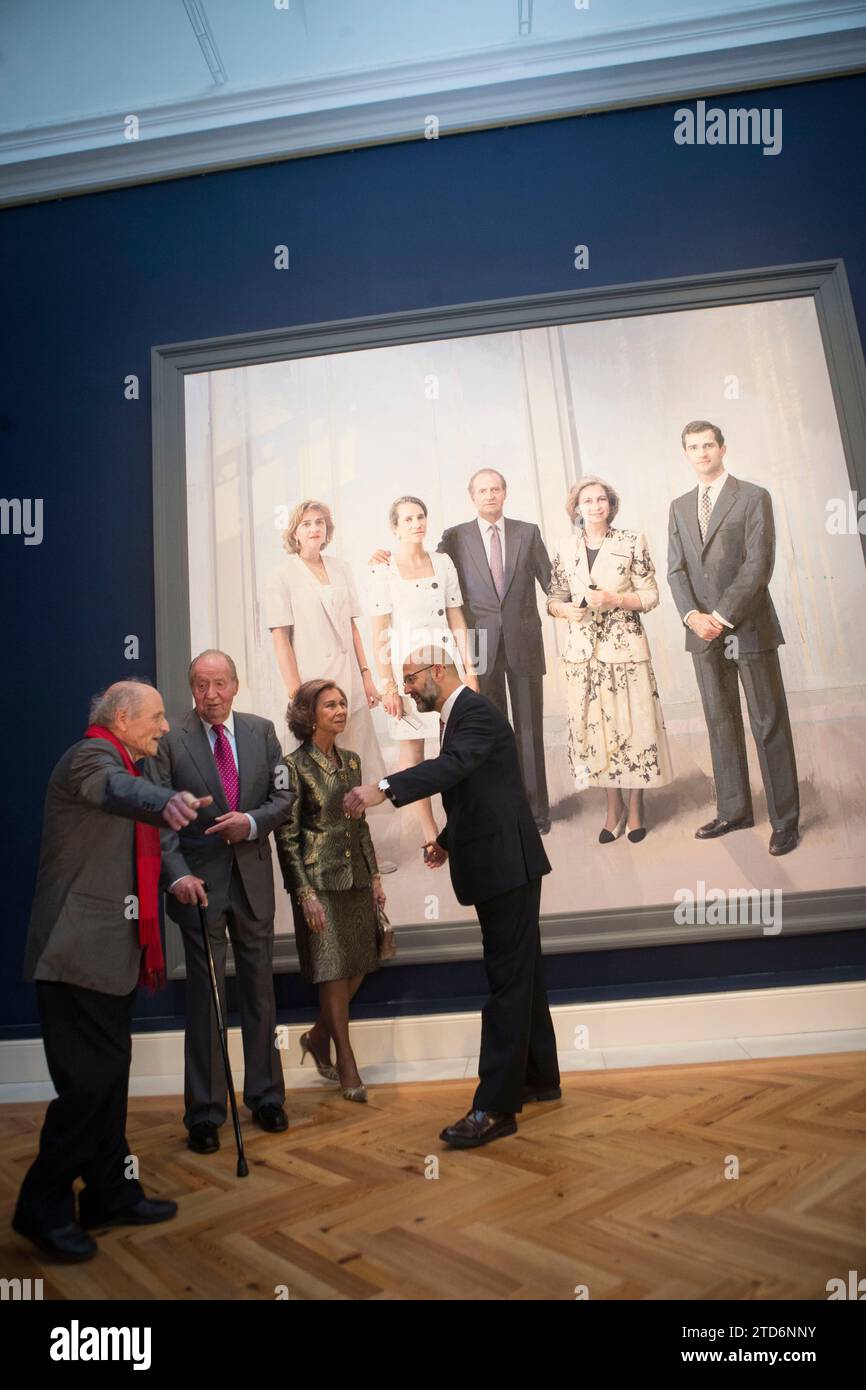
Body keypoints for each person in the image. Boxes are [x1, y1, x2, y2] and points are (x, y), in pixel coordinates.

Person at [14, 680, 211, 1262]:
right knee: (90, 1086)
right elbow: (116, 790)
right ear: (122, 717)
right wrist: (163, 801)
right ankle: (41, 1205)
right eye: (154, 717)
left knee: (109, 1081)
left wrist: (162, 801)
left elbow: (134, 795)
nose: (164, 727)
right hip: (74, 953)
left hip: (107, 954)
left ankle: (109, 1193)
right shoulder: (91, 757)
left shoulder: (132, 762)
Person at [344, 647, 560, 1149]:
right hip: (502, 864)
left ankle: (495, 1108)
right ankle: (539, 1077)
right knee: (521, 973)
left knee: (506, 983)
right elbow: (474, 790)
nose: (407, 688)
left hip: (508, 868)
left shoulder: (475, 712)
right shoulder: (457, 716)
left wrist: (383, 787)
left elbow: (453, 768)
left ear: (437, 672)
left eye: (411, 678)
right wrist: (445, 840)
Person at [149, 650, 295, 1154]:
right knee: (206, 998)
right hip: (198, 888)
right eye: (201, 685)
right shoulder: (171, 740)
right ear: (192, 688)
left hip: (252, 881)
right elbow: (160, 820)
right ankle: (206, 1112)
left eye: (220, 684)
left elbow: (283, 797)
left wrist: (250, 823)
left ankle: (266, 1097)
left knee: (259, 993)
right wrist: (179, 877)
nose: (211, 695)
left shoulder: (262, 731)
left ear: (236, 684)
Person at [667, 421, 799, 855]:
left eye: (708, 445)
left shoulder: (753, 496)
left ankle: (785, 821)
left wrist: (720, 616)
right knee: (721, 723)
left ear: (723, 448)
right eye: (693, 447)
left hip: (747, 626)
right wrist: (691, 616)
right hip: (701, 633)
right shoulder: (680, 506)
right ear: (685, 454)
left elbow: (758, 565)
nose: (702, 452)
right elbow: (676, 570)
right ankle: (734, 811)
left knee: (767, 722)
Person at [274, 679, 386, 1103]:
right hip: (318, 881)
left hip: (354, 876)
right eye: (330, 705)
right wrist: (303, 895)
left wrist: (374, 877)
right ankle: (347, 1062)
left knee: (358, 963)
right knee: (333, 971)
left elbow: (360, 825)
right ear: (309, 715)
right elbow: (287, 837)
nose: (340, 710)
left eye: (342, 703)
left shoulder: (353, 762)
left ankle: (318, 1037)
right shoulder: (291, 766)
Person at [547, 476, 672, 842]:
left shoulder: (632, 541)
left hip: (625, 652)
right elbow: (554, 596)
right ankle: (612, 806)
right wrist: (563, 610)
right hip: (582, 657)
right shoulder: (564, 547)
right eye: (587, 500)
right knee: (596, 734)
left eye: (602, 499)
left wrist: (617, 600)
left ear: (610, 506)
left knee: (631, 728)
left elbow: (650, 595)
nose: (595, 505)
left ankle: (636, 807)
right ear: (577, 508)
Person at [438, 469, 553, 834]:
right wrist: (388, 559)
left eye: (496, 489)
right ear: (471, 496)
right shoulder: (455, 538)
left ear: (505, 493)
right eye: (482, 490)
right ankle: (503, 808)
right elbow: (428, 574)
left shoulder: (527, 532)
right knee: (490, 731)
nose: (490, 495)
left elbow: (554, 583)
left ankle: (536, 812)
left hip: (524, 644)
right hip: (479, 649)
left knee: (529, 730)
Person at [368, 495, 479, 854]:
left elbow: (456, 618)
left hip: (445, 667)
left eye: (421, 516)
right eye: (408, 519)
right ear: (394, 528)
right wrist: (388, 686)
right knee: (412, 752)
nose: (417, 523)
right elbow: (380, 631)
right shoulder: (382, 570)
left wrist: (470, 669)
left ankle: (461, 821)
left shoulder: (443, 562)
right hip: (407, 670)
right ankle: (430, 832)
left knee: (456, 745)